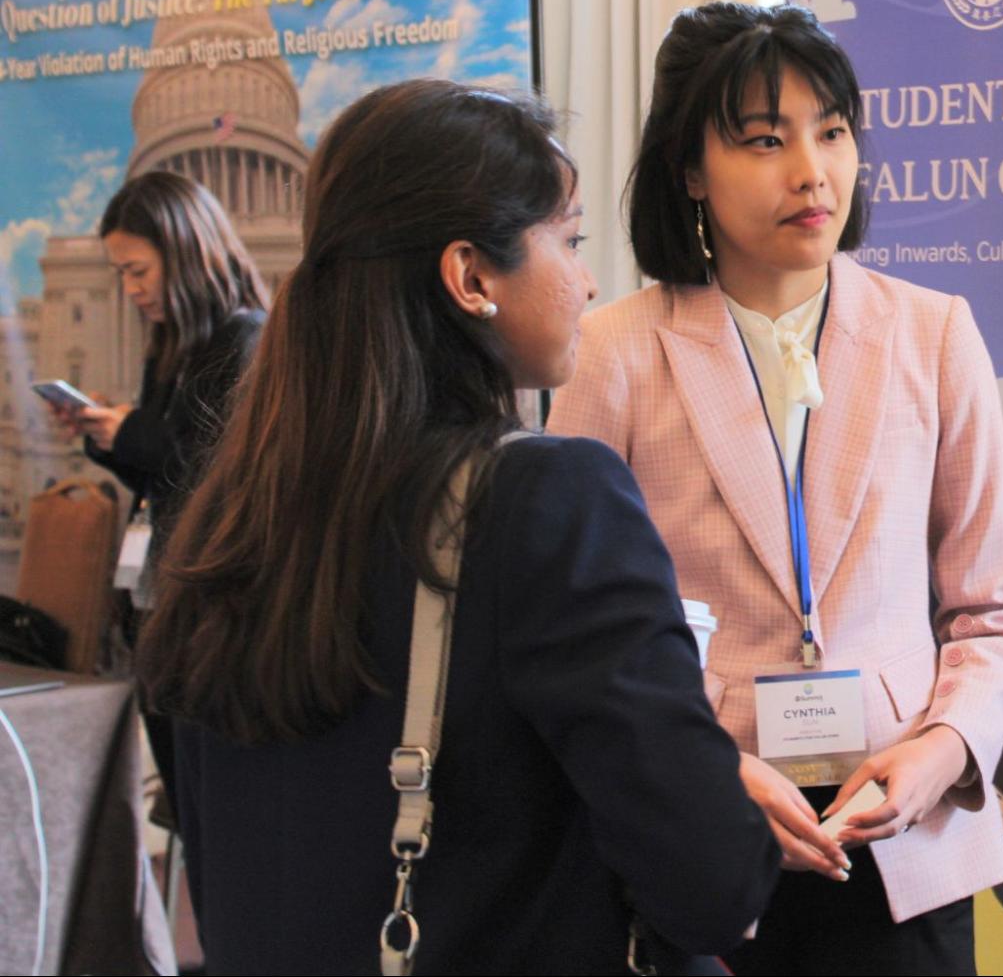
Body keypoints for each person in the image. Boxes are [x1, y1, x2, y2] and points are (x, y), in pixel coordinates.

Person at [137, 80, 779, 974]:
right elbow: (714, 881)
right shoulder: (549, 500)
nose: (589, 280)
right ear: (471, 275)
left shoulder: (225, 518)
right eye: (571, 239)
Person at [548, 2, 1003, 975]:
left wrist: (939, 749)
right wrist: (713, 770)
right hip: (699, 835)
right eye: (765, 140)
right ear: (690, 169)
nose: (811, 171)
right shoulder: (611, 355)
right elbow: (577, 639)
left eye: (833, 131)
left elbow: (992, 614)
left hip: (901, 834)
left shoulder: (934, 333)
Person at [40, 171, 266, 806]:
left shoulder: (244, 340)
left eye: (138, 270)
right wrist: (105, 435)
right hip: (161, 611)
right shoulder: (174, 345)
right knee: (185, 794)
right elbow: (164, 478)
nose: (130, 289)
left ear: (186, 252)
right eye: (120, 273)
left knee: (215, 806)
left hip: (216, 625)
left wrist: (130, 430)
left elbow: (219, 479)